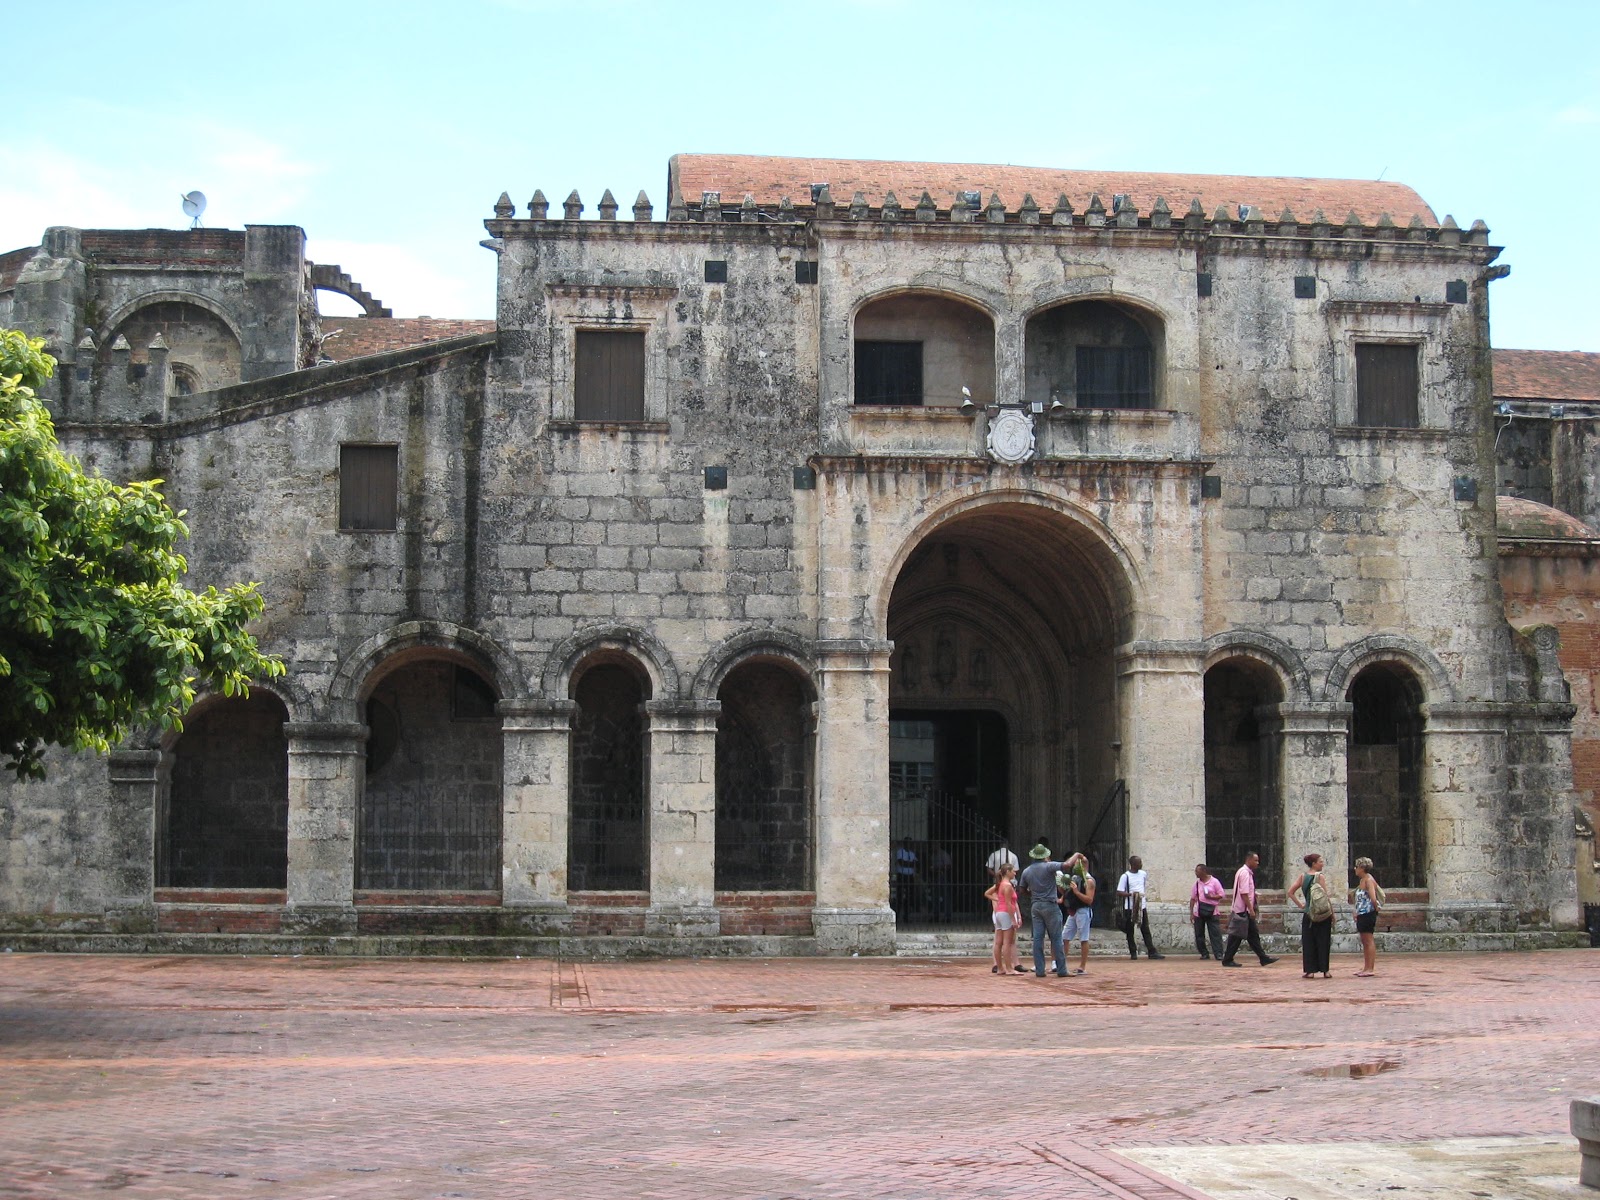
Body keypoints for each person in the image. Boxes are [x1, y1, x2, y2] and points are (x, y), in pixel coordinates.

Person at [1018, 842, 1075, 978]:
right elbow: (1067, 865)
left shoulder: (1027, 871)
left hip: (1036, 905)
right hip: (1050, 904)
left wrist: (1032, 894)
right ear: (1045, 856)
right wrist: (1077, 855)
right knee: (1056, 938)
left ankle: (1039, 969)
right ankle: (1061, 969)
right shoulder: (1049, 866)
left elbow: (1022, 889)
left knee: (1038, 938)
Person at [1220, 851, 1278, 968]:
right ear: (1249, 860)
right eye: (1255, 860)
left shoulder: (1244, 872)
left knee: (1252, 935)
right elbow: (1244, 893)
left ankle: (1262, 957)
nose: (1257, 863)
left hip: (1241, 909)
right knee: (1237, 936)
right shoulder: (1245, 873)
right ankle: (1228, 959)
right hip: (1243, 910)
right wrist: (1251, 909)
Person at [1288, 852, 1334, 979]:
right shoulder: (1320, 877)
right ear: (1314, 863)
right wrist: (1332, 913)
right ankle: (1325, 970)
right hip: (1322, 914)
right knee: (1324, 941)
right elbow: (1325, 896)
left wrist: (1301, 905)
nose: (1322, 864)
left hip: (1309, 913)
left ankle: (1310, 970)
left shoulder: (1302, 877)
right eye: (1320, 861)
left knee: (1309, 942)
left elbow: (1290, 892)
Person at [1115, 855, 1165, 960]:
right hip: (1130, 907)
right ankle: (1133, 952)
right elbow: (1119, 891)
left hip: (1141, 906)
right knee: (1130, 930)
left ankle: (1151, 951)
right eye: (1139, 863)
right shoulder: (1125, 876)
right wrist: (1130, 895)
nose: (1141, 864)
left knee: (1145, 928)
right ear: (1133, 864)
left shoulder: (1143, 874)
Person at [984, 862, 1025, 974]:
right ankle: (1009, 968)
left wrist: (998, 900)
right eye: (1013, 871)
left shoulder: (1000, 884)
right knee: (1007, 942)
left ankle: (1000, 968)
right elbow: (1008, 904)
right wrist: (1013, 919)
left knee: (998, 942)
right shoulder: (1007, 886)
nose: (1015, 872)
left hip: (999, 913)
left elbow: (987, 894)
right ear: (1007, 872)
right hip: (1006, 913)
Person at [1352, 856, 1386, 977]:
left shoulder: (1369, 880)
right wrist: (1356, 911)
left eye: (1356, 867)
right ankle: (1366, 967)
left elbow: (1372, 898)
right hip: (1361, 913)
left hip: (1368, 914)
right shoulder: (1362, 880)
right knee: (1364, 941)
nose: (1355, 869)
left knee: (1368, 940)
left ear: (1362, 868)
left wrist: (1375, 909)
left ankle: (1370, 968)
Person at [1061, 858, 1096, 974]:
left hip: (1083, 911)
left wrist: (1077, 892)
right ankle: (1061, 963)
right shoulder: (1075, 878)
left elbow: (1089, 900)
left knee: (1083, 938)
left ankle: (1082, 966)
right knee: (1065, 936)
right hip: (1073, 911)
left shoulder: (1089, 881)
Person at [1190, 863, 1226, 959]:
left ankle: (1218, 953)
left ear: (1204, 871)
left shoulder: (1214, 882)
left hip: (1212, 911)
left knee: (1215, 933)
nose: (1196, 873)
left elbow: (1221, 894)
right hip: (1199, 911)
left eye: (1197, 871)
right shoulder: (1197, 884)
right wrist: (1191, 913)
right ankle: (1204, 953)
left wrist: (1211, 897)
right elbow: (1193, 898)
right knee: (1199, 933)